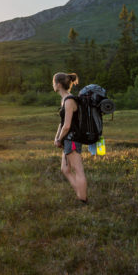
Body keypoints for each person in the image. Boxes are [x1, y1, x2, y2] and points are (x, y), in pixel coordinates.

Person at [53, 72, 88, 204]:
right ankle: (80, 194)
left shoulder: (69, 101)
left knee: (78, 170)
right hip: (68, 139)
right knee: (65, 169)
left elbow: (67, 126)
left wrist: (59, 139)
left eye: (54, 83)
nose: (53, 85)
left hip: (72, 139)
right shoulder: (64, 100)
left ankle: (83, 200)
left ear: (59, 84)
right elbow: (62, 123)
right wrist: (57, 137)